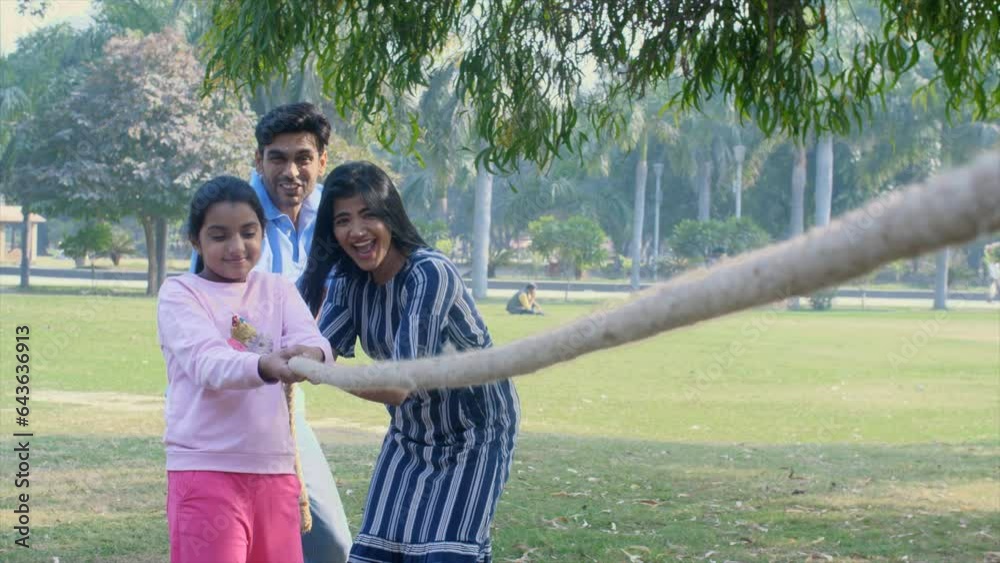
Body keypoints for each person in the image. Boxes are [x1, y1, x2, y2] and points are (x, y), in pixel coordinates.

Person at [299, 161, 521, 562]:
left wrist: (316, 370)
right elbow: (320, 346)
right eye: (343, 220)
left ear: (391, 216)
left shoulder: (429, 274)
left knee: (446, 554)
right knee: (376, 555)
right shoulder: (350, 282)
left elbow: (398, 385)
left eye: (368, 215)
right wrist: (279, 356)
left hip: (474, 435)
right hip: (410, 437)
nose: (357, 231)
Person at [188, 102, 352, 563]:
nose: (291, 171)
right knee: (325, 542)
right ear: (258, 160)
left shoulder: (335, 218)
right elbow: (219, 317)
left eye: (303, 157)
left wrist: (312, 352)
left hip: (291, 387)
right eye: (277, 158)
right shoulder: (234, 218)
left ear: (323, 160)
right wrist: (273, 356)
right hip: (239, 400)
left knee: (313, 543)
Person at [159, 176, 334, 562]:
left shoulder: (278, 289)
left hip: (275, 470)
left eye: (248, 233)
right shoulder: (180, 293)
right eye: (219, 236)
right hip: (206, 469)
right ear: (195, 241)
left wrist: (313, 355)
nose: (237, 247)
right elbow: (207, 362)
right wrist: (267, 365)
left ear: (262, 233)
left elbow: (317, 341)